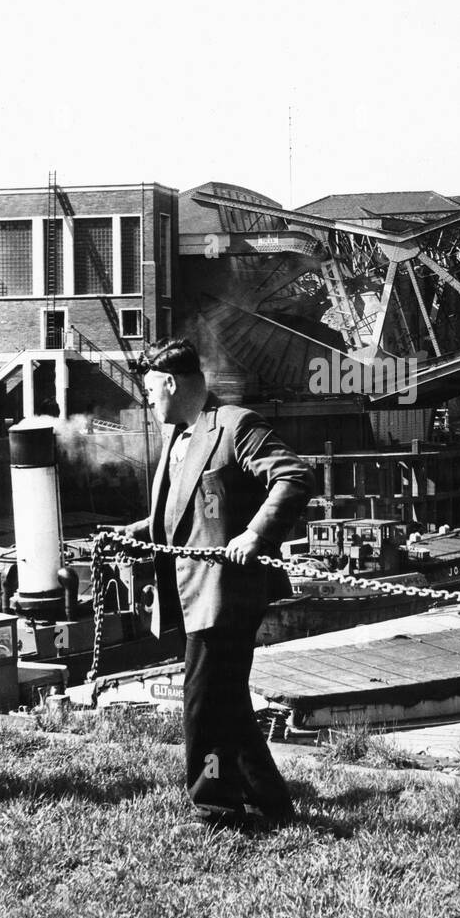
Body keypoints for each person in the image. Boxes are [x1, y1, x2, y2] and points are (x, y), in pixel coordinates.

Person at [122, 338, 313, 833]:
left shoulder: (235, 426)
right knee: (227, 700)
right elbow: (181, 515)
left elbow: (293, 476)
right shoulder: (177, 436)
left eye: (149, 390)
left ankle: (216, 808)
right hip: (194, 593)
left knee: (203, 703)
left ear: (170, 383)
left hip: (227, 594)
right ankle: (269, 802)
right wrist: (138, 533)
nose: (148, 401)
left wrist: (255, 533)